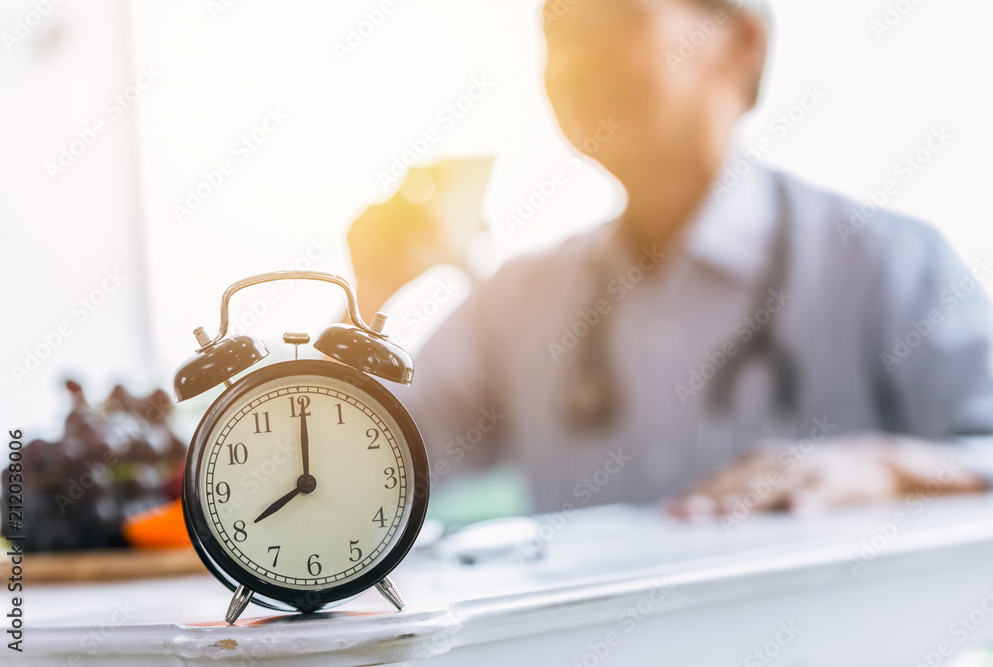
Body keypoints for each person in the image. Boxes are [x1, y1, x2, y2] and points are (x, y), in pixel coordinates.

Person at [347, 0, 993, 519]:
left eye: (608, 20)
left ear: (741, 43)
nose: (571, 62)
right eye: (555, 31)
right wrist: (365, 304)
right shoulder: (517, 301)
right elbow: (352, 473)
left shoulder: (888, 264)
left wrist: (887, 467)